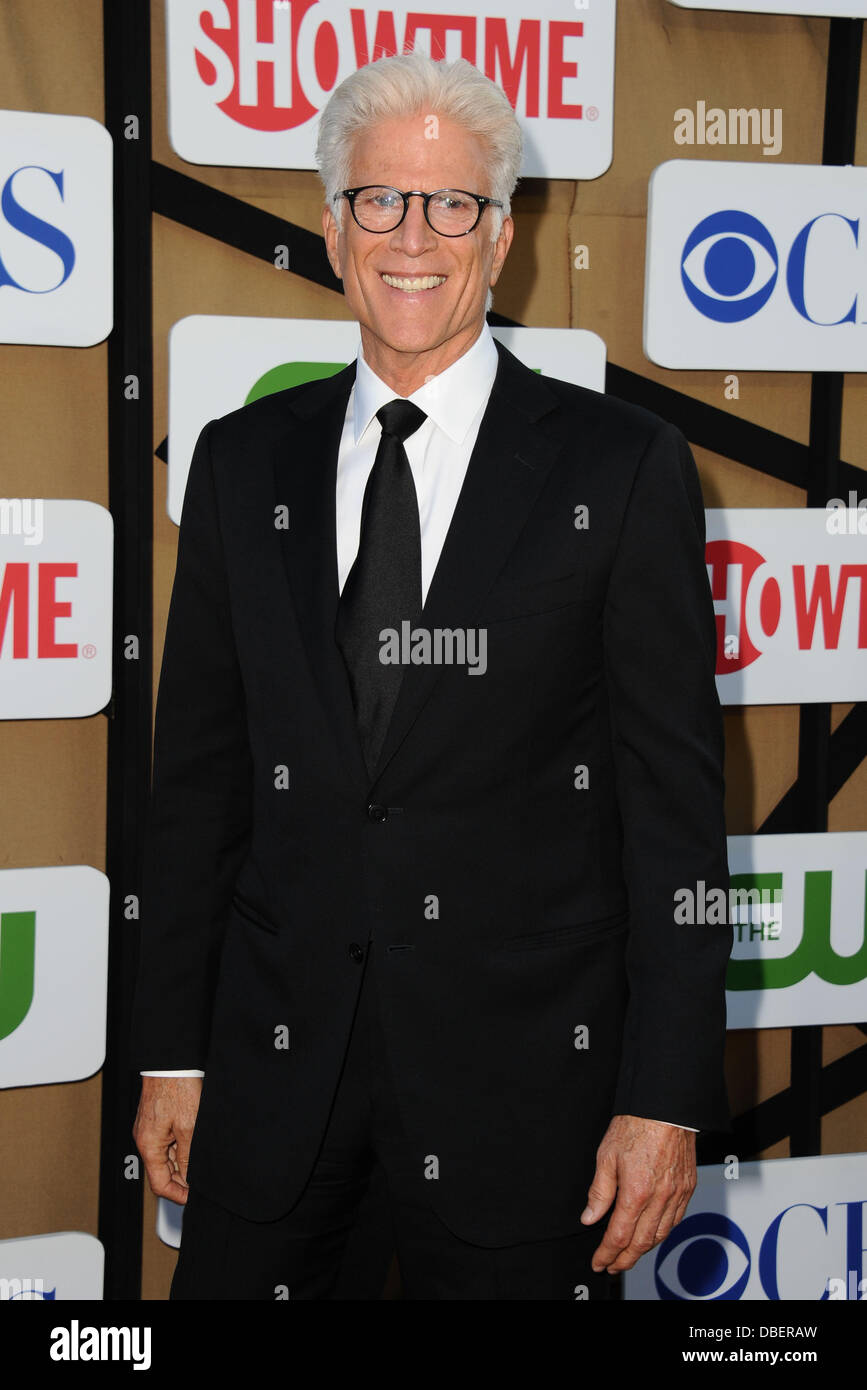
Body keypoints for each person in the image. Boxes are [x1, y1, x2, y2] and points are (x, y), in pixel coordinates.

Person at [131, 51, 731, 1301]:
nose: (415, 235)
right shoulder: (242, 465)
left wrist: (664, 1099)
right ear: (333, 228)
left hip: (527, 1112)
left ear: (501, 235)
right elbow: (198, 791)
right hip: (272, 1091)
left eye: (451, 203)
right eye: (379, 201)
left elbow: (676, 823)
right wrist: (171, 1053)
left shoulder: (622, 471)